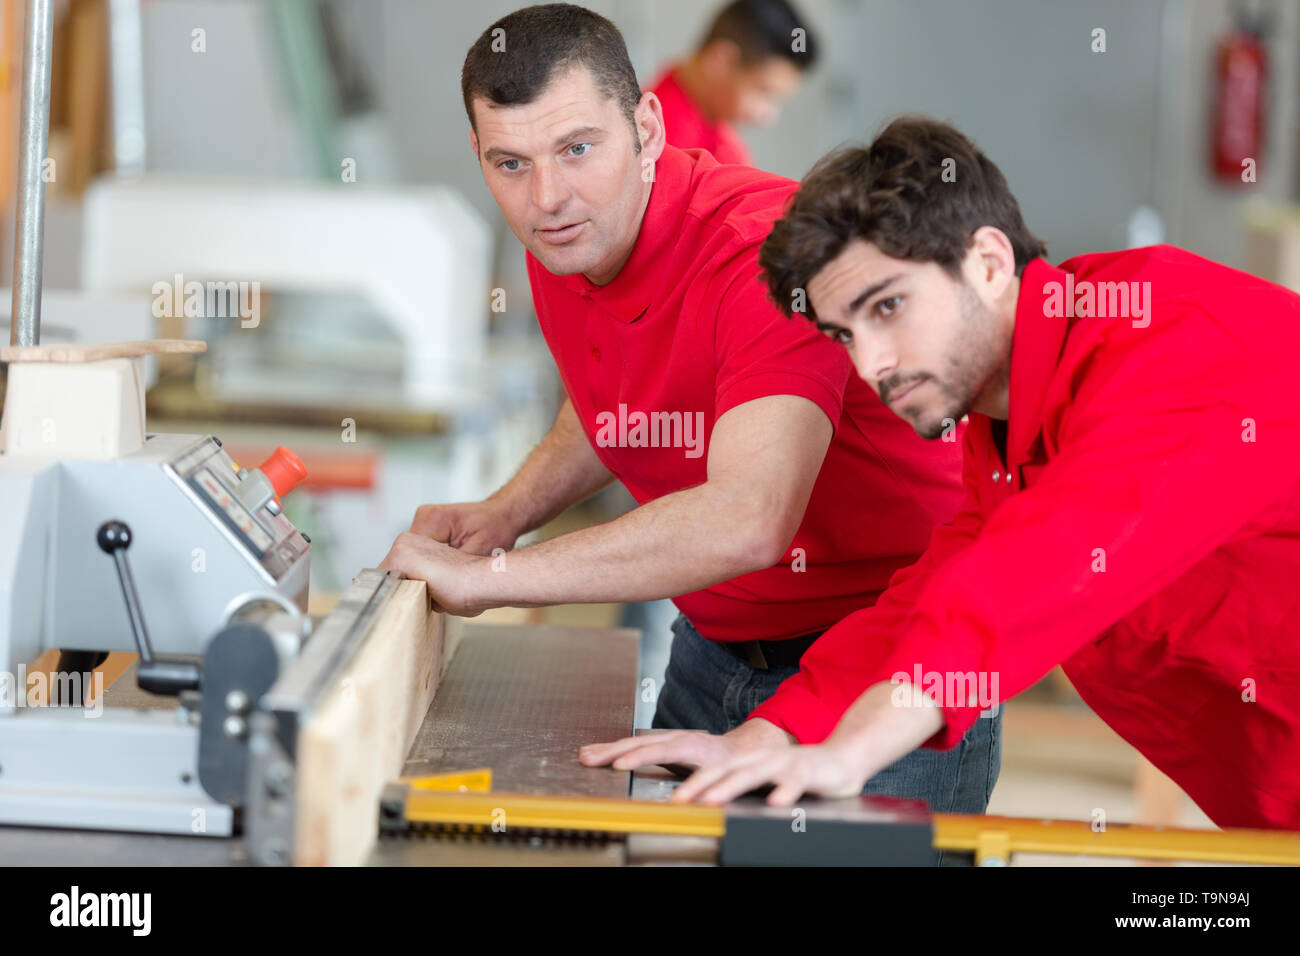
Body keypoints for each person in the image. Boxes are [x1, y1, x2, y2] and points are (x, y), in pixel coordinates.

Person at [582, 116, 1300, 831]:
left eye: (888, 307)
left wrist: (851, 754)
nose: (873, 364)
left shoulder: (1171, 345)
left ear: (987, 262)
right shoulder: (1007, 430)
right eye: (845, 334)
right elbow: (929, 599)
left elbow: (1031, 574)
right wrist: (771, 735)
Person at [380, 6, 1000, 817]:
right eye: (510, 163)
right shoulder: (569, 239)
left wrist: (490, 580)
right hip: (712, 651)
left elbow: (750, 517)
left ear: (646, 127)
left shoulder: (760, 255)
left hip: (883, 667)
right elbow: (616, 402)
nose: (547, 197)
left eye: (577, 149)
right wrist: (505, 515)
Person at [648, 0, 816, 166]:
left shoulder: (714, 131)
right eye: (764, 92)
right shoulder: (663, 145)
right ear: (721, 61)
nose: (768, 117)